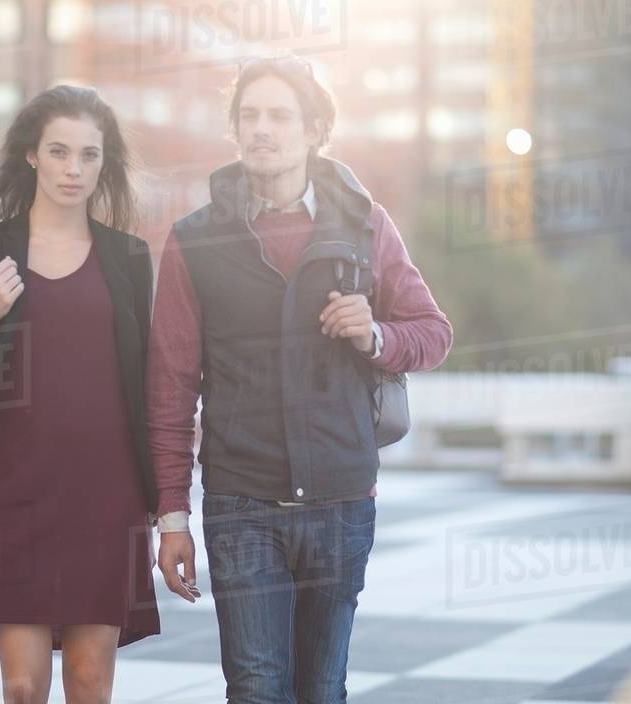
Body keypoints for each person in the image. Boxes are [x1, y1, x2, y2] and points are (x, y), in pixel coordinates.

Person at [147, 54, 454, 703]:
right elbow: (170, 387)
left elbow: (432, 334)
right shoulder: (194, 240)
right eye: (249, 115)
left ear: (315, 131)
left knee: (322, 690)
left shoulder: (364, 225)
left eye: (279, 115)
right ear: (234, 130)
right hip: (241, 504)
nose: (261, 128)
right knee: (259, 689)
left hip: (341, 504)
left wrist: (374, 335)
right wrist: (172, 514)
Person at [0, 85, 161, 704]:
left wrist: (167, 506)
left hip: (107, 497)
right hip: (17, 491)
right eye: (59, 152)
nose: (74, 169)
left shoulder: (129, 258)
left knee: (90, 684)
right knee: (23, 686)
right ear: (32, 155)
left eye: (89, 156)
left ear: (103, 163)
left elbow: (146, 384)